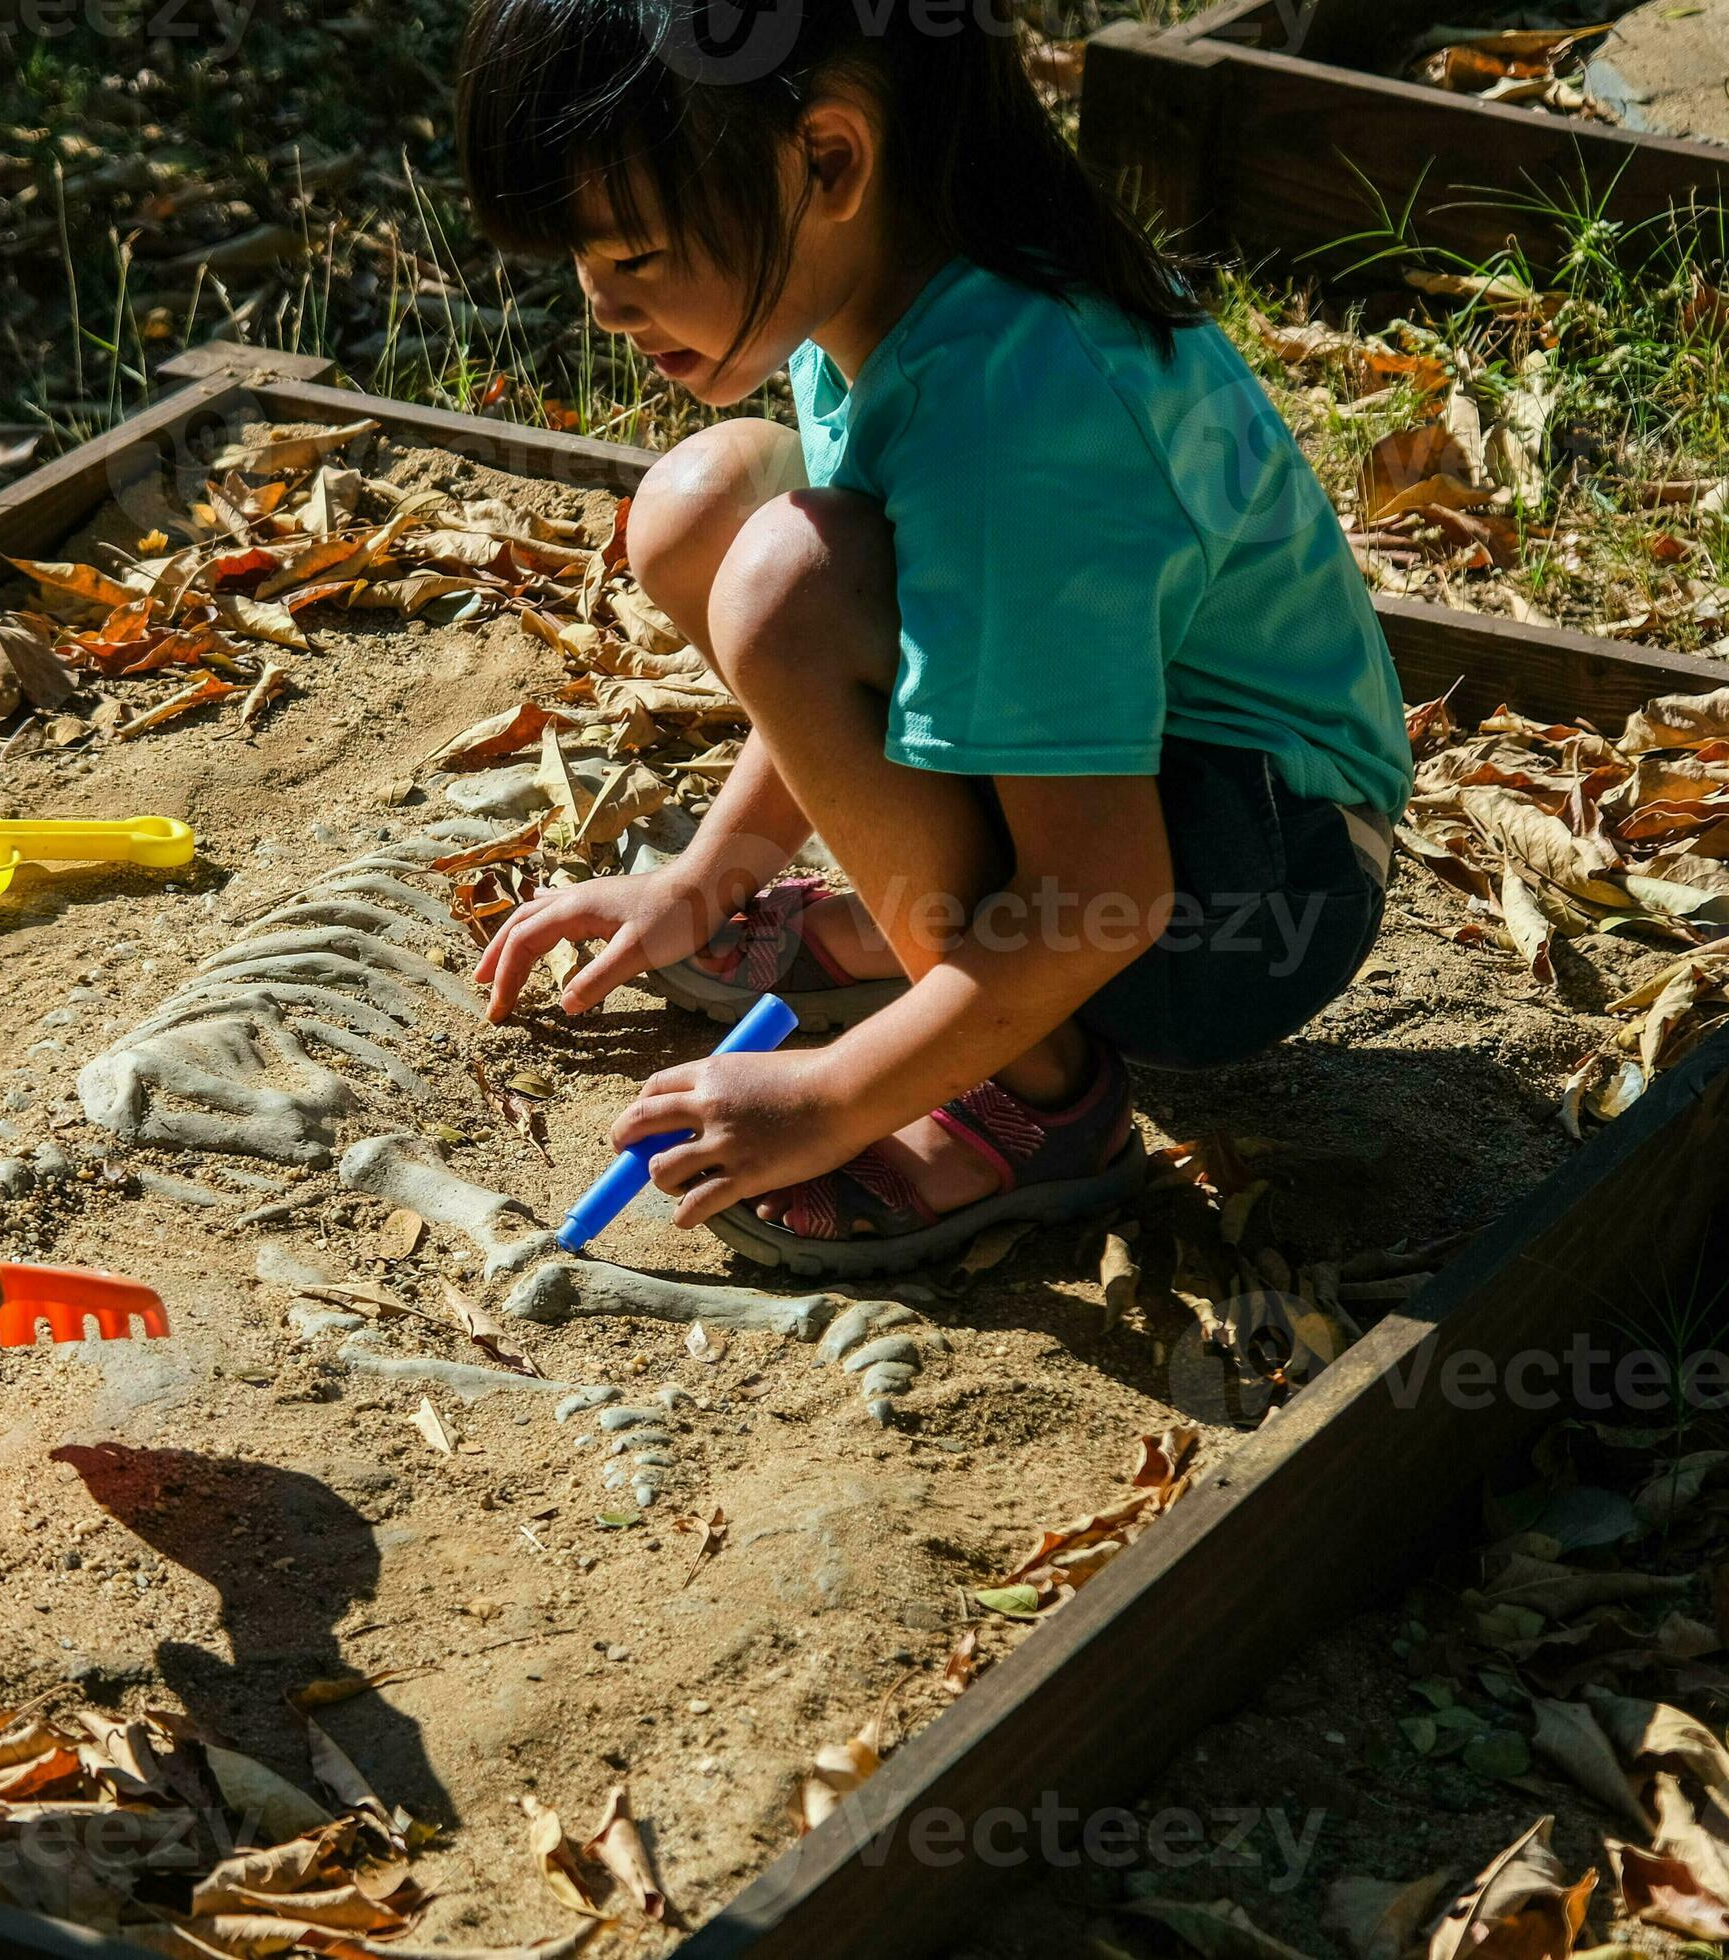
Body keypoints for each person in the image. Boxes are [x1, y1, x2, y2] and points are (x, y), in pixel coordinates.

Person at [455, 0, 1410, 1276]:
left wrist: (837, 1092)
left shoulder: (1018, 413)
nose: (602, 304)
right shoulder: (880, 273)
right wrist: (710, 876)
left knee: (784, 578)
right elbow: (869, 647)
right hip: (1132, 791)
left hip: (1248, 893)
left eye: (632, 253)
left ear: (831, 159)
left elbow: (1108, 893)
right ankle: (891, 929)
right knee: (707, 511)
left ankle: (1039, 1103)